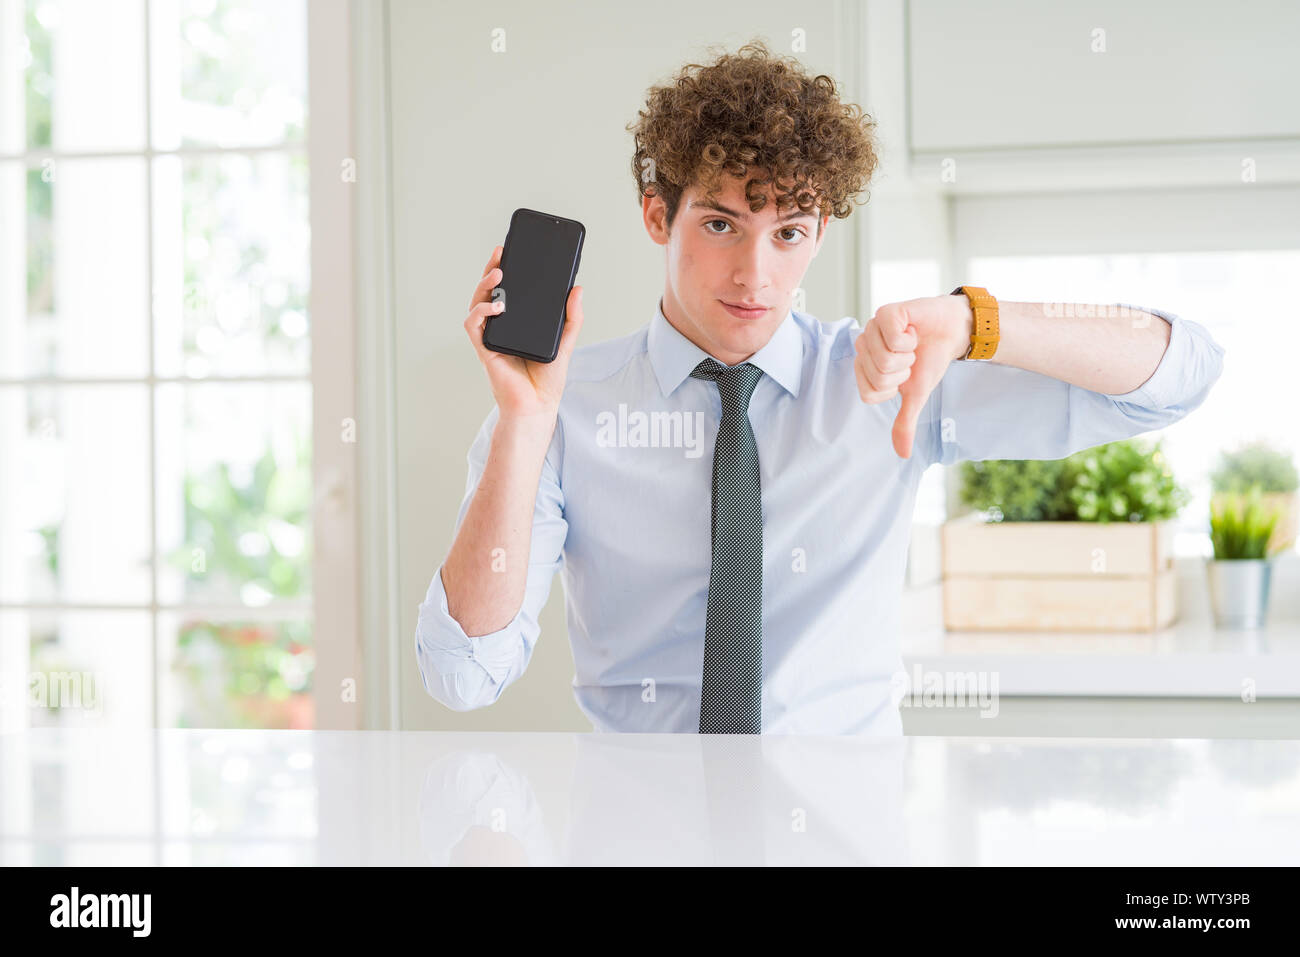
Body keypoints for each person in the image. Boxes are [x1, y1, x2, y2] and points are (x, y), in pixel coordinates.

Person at [415, 40, 1225, 735]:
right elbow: (462, 673)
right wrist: (524, 423)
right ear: (658, 214)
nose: (754, 274)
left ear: (820, 233)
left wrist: (974, 319)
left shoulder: (891, 375)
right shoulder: (563, 407)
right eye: (721, 223)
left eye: (789, 233)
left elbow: (1177, 376)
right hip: (637, 833)